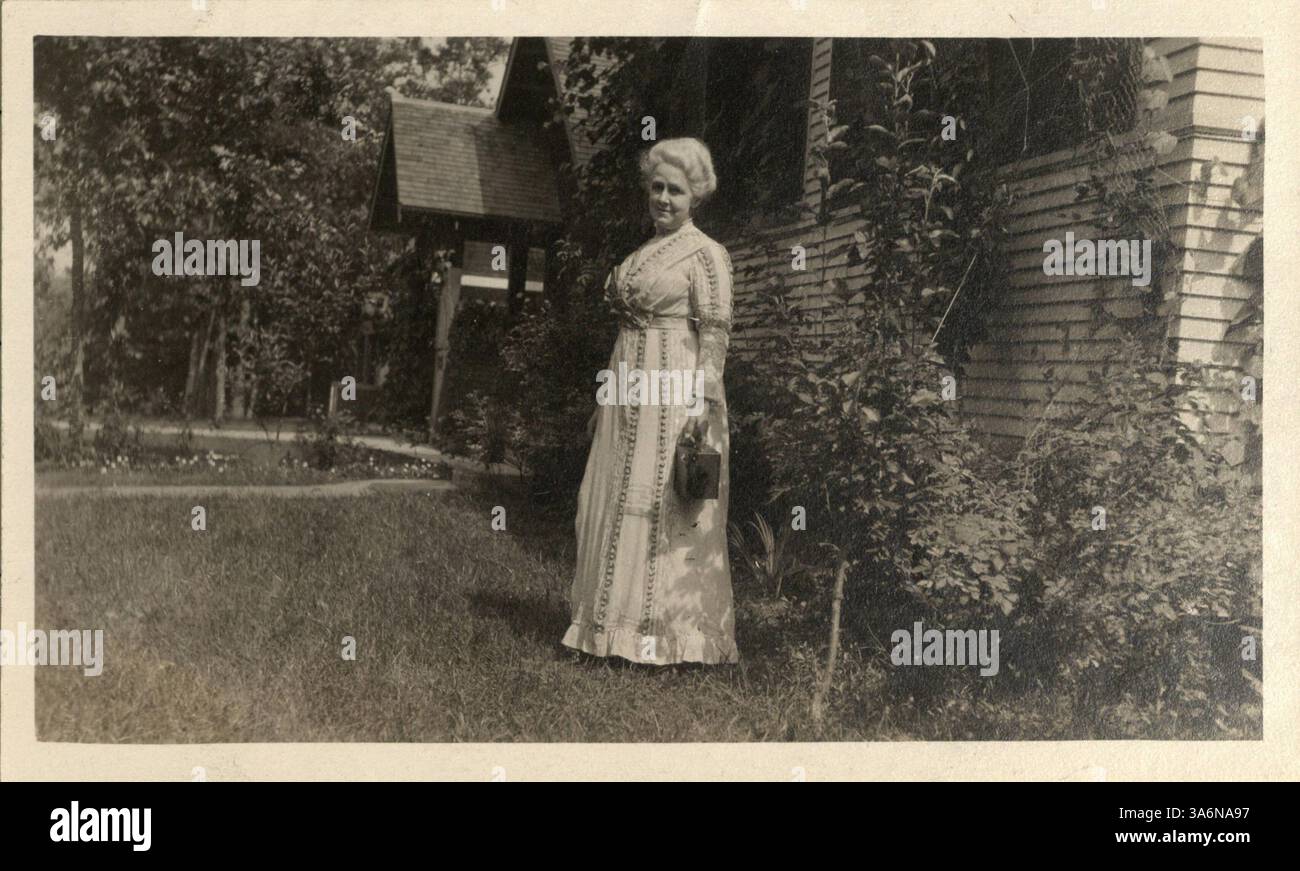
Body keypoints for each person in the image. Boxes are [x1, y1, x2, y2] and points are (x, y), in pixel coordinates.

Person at [561, 137, 739, 666]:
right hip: (628, 393)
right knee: (615, 496)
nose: (663, 198)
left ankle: (669, 637)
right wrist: (606, 397)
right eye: (657, 187)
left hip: (674, 393)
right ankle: (606, 628)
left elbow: (715, 334)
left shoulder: (706, 254)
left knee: (666, 504)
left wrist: (702, 408)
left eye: (676, 191)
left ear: (696, 196)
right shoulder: (640, 255)